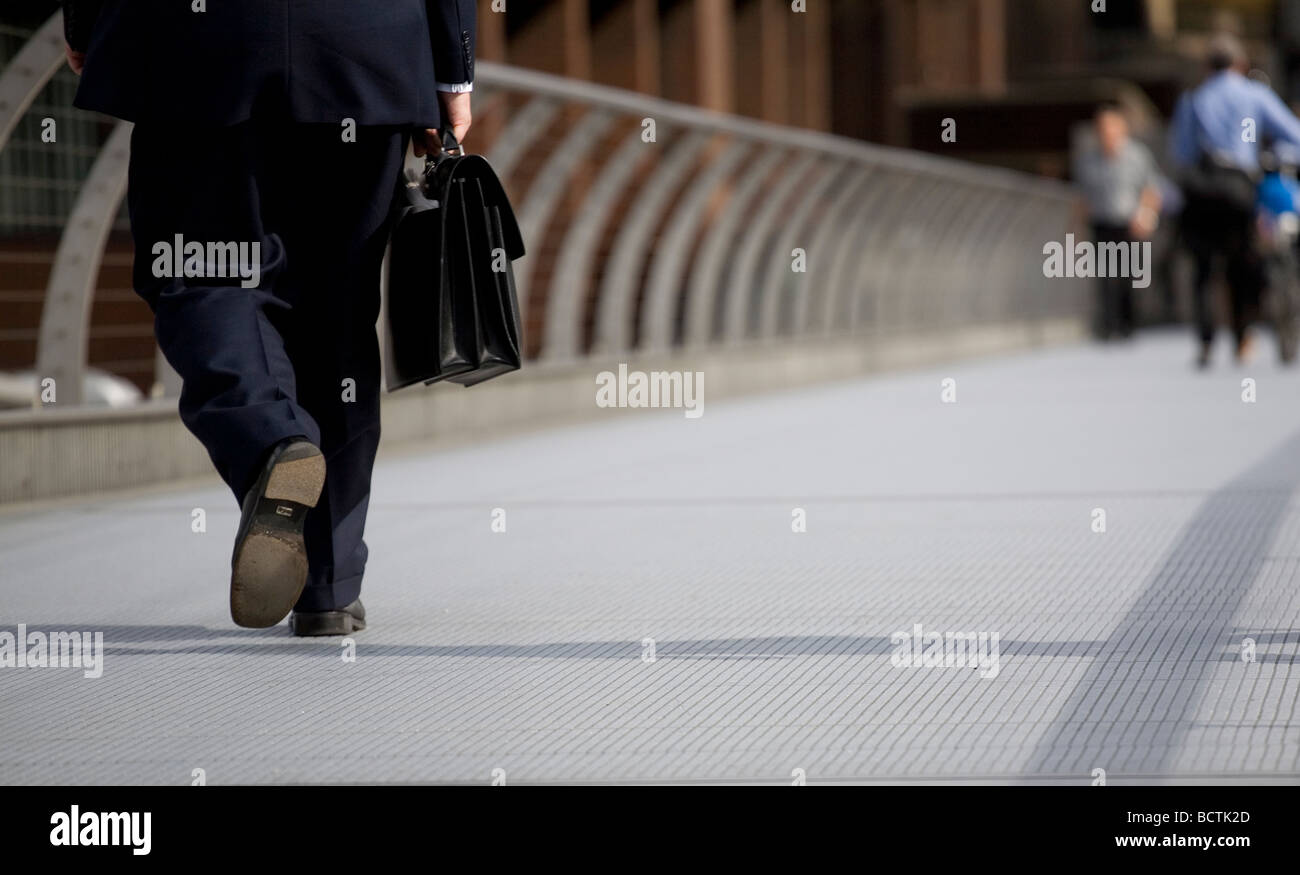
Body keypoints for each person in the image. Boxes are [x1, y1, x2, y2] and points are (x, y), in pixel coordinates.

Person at [61, 0, 476, 635]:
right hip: (364, 46)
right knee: (338, 316)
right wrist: (450, 72)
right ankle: (328, 588)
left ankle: (268, 441)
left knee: (205, 271)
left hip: (195, 46)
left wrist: (88, 24)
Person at [1170, 32, 1300, 367]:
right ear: (1239, 64)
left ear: (1206, 66)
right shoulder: (1254, 94)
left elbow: (1182, 154)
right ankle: (1242, 336)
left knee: (1203, 267)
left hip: (1201, 190)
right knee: (1242, 263)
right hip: (1240, 187)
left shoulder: (1193, 99)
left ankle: (1205, 340)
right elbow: (1293, 135)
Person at [1073, 102, 1162, 339]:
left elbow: (1151, 189)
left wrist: (1145, 217)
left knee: (1127, 275)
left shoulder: (1137, 155)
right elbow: (1082, 195)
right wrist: (1077, 228)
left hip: (1129, 222)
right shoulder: (1087, 160)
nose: (1107, 133)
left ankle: (1128, 324)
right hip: (1101, 222)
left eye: (1111, 127)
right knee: (1104, 275)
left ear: (1122, 129)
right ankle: (1108, 324)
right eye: (1102, 128)